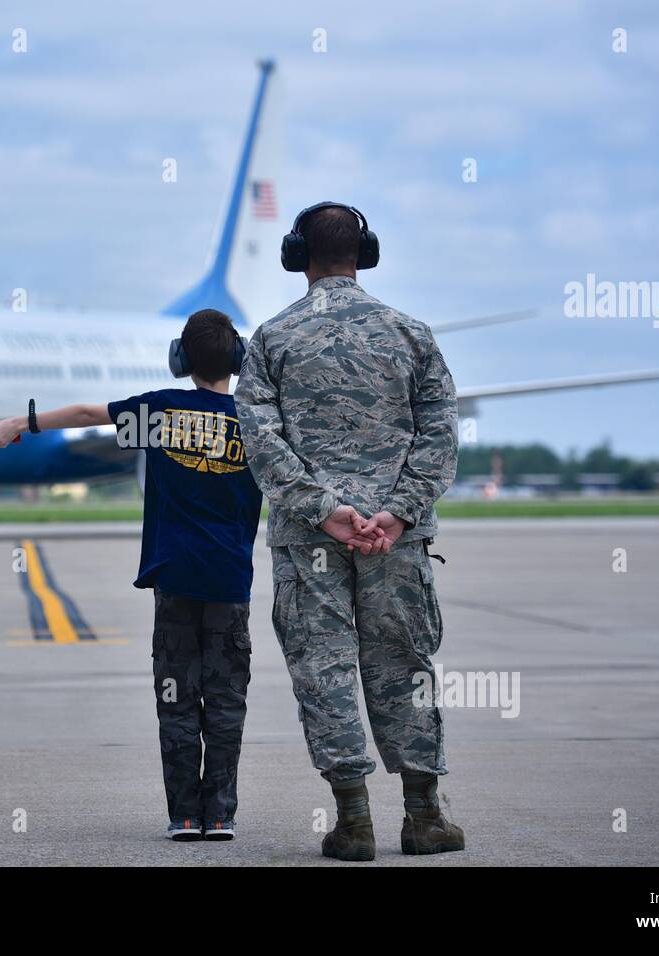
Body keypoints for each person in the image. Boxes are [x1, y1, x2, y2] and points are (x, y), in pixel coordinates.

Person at [235, 202, 465, 860]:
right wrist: (397, 512)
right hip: (396, 541)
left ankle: (353, 821)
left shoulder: (271, 340)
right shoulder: (411, 335)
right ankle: (424, 818)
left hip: (311, 543)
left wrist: (323, 509)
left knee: (324, 672)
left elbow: (263, 443)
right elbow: (439, 439)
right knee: (404, 670)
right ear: (364, 252)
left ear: (295, 254)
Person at [0, 309, 263, 842]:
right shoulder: (253, 421)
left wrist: (22, 423)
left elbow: (90, 412)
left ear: (180, 360)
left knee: (177, 697)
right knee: (226, 701)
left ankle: (184, 817)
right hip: (230, 583)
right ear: (239, 359)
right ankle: (220, 815)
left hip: (175, 580)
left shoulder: (158, 412)